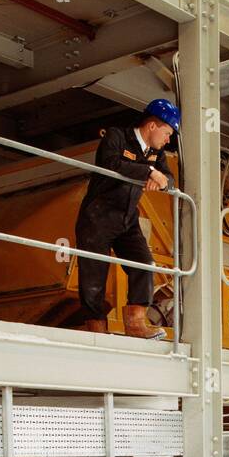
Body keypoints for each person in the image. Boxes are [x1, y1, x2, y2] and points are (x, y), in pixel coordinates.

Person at [74, 97, 181, 338]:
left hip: (127, 218)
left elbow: (169, 179)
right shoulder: (117, 136)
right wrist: (149, 172)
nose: (168, 139)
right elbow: (111, 164)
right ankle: (96, 329)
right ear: (152, 126)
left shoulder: (156, 152)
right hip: (97, 216)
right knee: (94, 277)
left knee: (144, 264)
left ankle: (135, 324)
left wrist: (163, 180)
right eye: (167, 132)